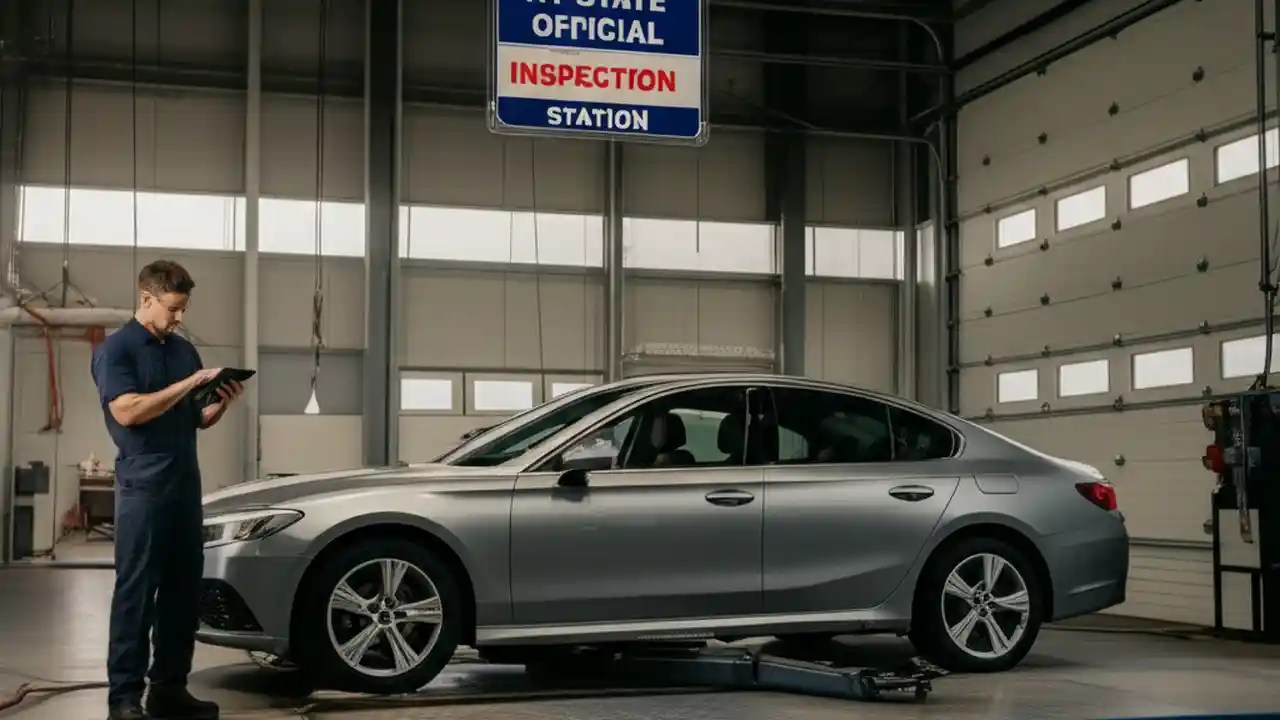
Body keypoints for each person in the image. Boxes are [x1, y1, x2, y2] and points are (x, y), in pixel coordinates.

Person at [91, 260, 243, 720]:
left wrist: (220, 404)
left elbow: (193, 417)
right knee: (136, 593)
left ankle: (169, 689)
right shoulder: (115, 350)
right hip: (142, 486)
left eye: (184, 309)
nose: (179, 318)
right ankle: (123, 699)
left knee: (182, 593)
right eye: (173, 309)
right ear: (147, 298)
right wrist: (189, 384)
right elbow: (128, 412)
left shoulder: (184, 351)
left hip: (184, 486)